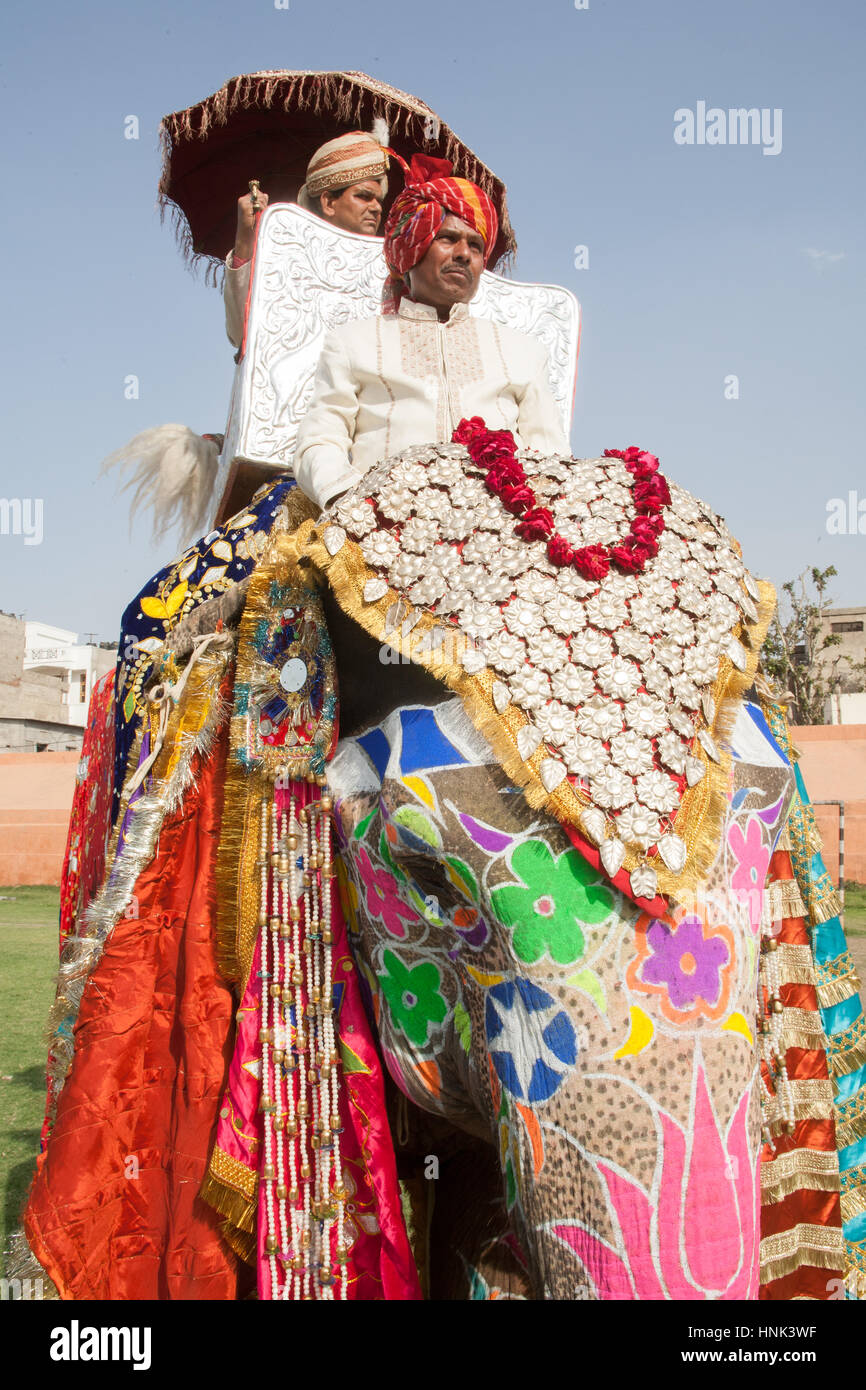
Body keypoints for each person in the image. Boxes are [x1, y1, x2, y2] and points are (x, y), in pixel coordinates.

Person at [292, 153, 568, 511]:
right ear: (412, 247)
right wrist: (352, 502)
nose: (463, 254)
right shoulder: (353, 343)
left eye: (475, 245)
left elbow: (553, 459)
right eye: (448, 238)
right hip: (379, 528)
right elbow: (319, 441)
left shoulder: (523, 352)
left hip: (499, 535)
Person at [224, 125, 390, 349]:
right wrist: (246, 240)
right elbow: (240, 331)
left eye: (379, 200)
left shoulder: (390, 267)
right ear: (328, 202)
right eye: (364, 196)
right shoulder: (289, 255)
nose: (376, 208)